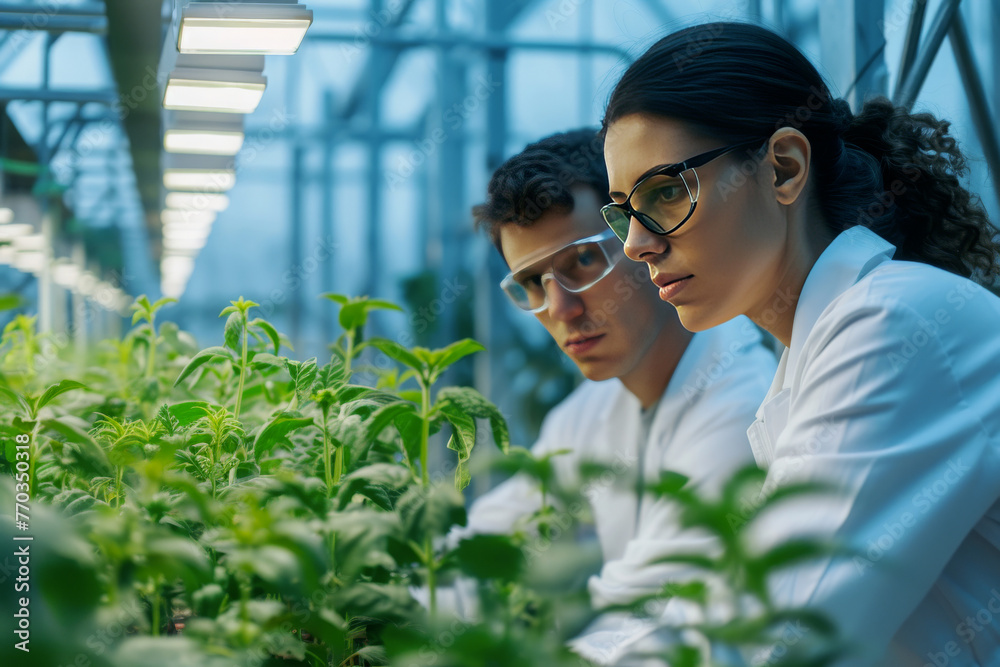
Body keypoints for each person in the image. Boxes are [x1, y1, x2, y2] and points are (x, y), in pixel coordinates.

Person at [600, 21, 1000, 667]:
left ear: (784, 168)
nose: (634, 244)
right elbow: (717, 611)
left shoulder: (893, 322)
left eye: (666, 192)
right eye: (622, 210)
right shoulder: (816, 352)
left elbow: (782, 634)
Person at [463, 128, 776, 663]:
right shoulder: (590, 413)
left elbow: (655, 620)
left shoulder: (740, 403)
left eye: (583, 261)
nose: (560, 309)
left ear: (640, 242)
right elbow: (483, 545)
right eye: (533, 284)